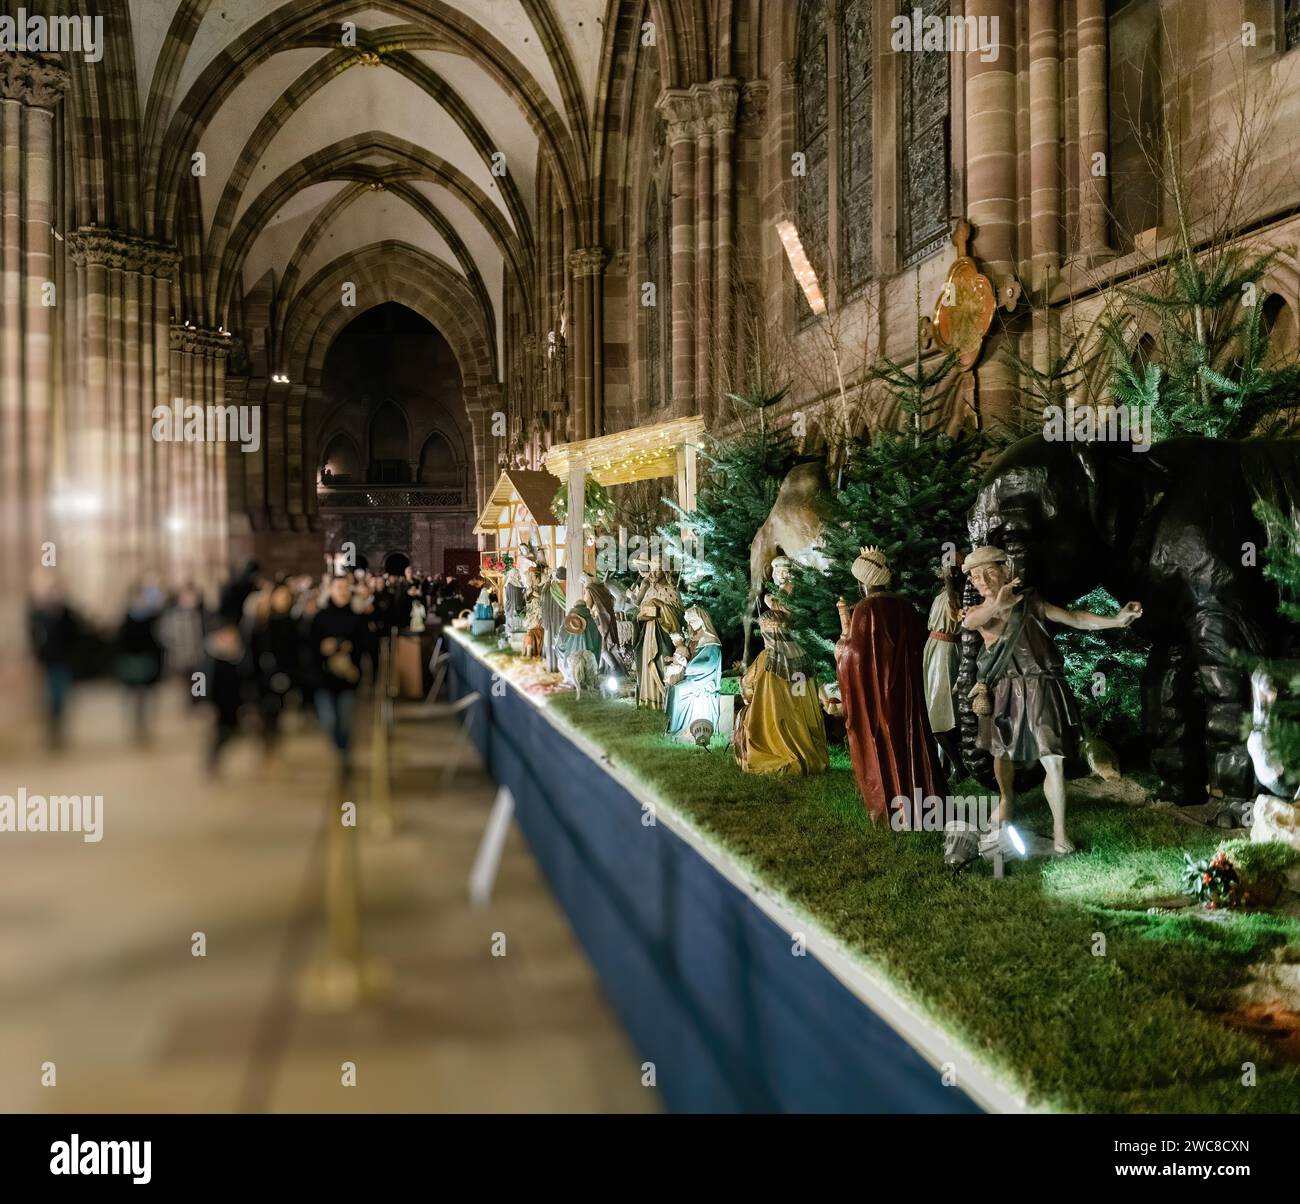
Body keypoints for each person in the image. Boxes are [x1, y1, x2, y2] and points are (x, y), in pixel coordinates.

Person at [961, 545, 1142, 855]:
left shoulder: (1031, 600)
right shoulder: (977, 612)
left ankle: (1059, 830)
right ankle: (1007, 799)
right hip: (1005, 690)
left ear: (1006, 571)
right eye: (977, 577)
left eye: (990, 572)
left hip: (1043, 687)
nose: (984, 581)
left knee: (1053, 759)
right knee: (1002, 753)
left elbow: (1074, 618)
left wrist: (1116, 620)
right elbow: (970, 622)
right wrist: (998, 603)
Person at [833, 547, 947, 826]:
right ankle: (927, 806)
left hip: (876, 696)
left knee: (882, 742)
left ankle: (892, 807)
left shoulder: (864, 609)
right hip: (907, 694)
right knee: (912, 742)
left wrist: (841, 651)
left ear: (863, 583)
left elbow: (856, 655)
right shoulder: (906, 607)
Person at [734, 556, 828, 775]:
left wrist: (771, 604)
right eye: (776, 572)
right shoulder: (778, 596)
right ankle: (801, 744)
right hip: (788, 651)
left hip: (782, 651)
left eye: (782, 571)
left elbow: (788, 613)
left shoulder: (788, 592)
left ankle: (781, 742)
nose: (779, 575)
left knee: (784, 701)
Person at [310, 573, 369, 779]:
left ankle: (344, 755)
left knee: (345, 722)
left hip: (348, 679)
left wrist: (349, 646)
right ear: (331, 590)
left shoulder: (357, 617)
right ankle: (339, 750)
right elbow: (309, 646)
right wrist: (322, 648)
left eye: (346, 588)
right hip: (324, 679)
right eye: (338, 588)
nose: (342, 592)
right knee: (329, 721)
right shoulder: (319, 617)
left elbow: (366, 645)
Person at [28, 572, 82, 749]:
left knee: (61, 696)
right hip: (49, 662)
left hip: (64, 661)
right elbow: (35, 637)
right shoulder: (39, 614)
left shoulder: (66, 613)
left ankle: (59, 729)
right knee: (51, 698)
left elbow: (75, 634)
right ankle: (52, 730)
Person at [922, 560, 966, 776]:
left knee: (938, 715)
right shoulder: (945, 593)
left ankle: (959, 766)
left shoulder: (958, 596)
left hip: (946, 651)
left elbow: (956, 617)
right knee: (938, 707)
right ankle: (946, 764)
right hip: (935, 649)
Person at [664, 605, 723, 747]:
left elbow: (708, 665)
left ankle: (678, 728)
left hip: (704, 681)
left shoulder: (711, 642)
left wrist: (687, 665)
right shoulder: (695, 639)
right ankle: (672, 725)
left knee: (679, 690)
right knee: (674, 686)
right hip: (693, 678)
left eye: (692, 620)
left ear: (702, 620)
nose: (690, 624)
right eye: (688, 621)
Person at [115, 581, 165, 745]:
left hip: (146, 660)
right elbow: (121, 642)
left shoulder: (151, 618)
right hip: (131, 661)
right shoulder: (126, 618)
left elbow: (157, 641)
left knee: (144, 695)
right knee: (134, 695)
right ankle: (136, 724)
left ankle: (143, 724)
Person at [630, 560, 683, 709]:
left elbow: (678, 615)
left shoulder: (671, 591)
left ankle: (663, 699)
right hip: (648, 633)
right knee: (647, 663)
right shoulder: (649, 591)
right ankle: (648, 699)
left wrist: (660, 608)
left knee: (661, 661)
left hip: (663, 634)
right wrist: (641, 617)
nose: (652, 574)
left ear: (665, 571)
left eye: (657, 570)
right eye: (651, 570)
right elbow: (640, 613)